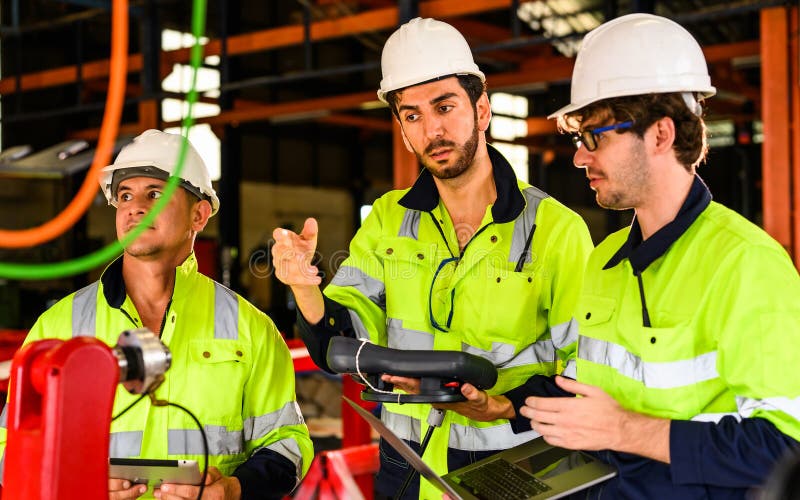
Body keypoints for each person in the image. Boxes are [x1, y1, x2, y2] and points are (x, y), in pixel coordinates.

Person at [272, 17, 593, 499]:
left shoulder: (554, 229)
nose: (433, 130)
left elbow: (587, 367)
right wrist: (304, 287)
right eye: (413, 115)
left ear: (481, 110)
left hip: (510, 462)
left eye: (445, 107)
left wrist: (504, 405)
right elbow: (341, 341)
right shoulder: (387, 218)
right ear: (402, 130)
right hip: (408, 463)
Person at [519, 13, 800, 497]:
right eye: (579, 139)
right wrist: (500, 405)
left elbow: (785, 448)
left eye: (595, 137)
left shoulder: (746, 263)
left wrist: (627, 430)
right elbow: (591, 398)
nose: (580, 157)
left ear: (660, 135)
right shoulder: (605, 260)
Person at [0, 129, 313, 500]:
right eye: (125, 195)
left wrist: (231, 489)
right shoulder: (58, 328)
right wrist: (77, 483)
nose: (135, 207)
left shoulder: (251, 329)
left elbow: (287, 445)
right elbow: (10, 447)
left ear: (199, 215)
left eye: (154, 194)